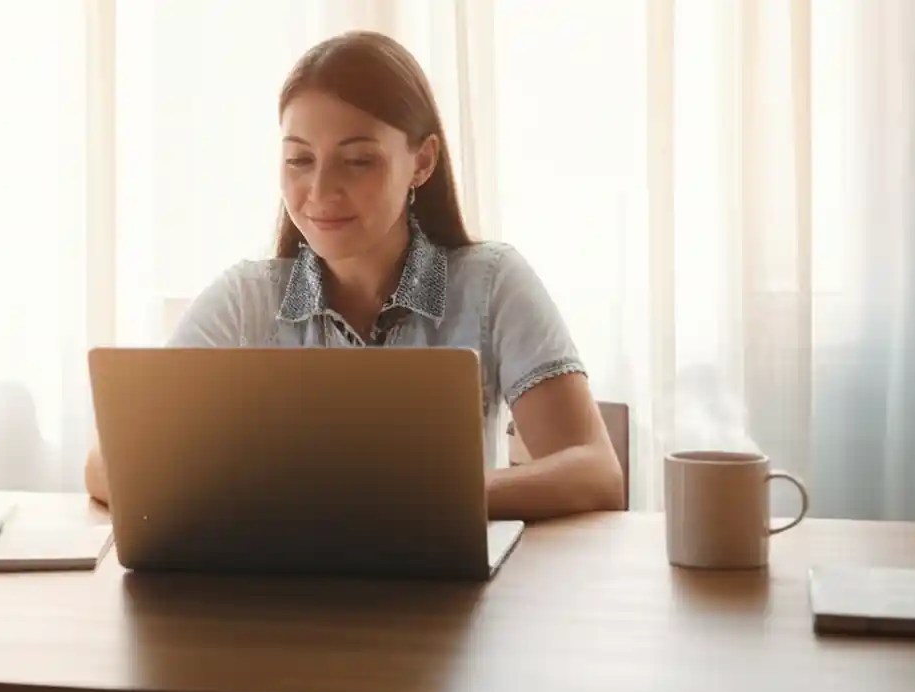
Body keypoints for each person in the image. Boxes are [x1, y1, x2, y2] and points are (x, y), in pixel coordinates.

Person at [86, 31, 623, 520]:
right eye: (300, 160)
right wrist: (257, 499)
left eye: (358, 161)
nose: (320, 191)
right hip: (278, 600)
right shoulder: (245, 302)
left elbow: (595, 472)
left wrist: (418, 502)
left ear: (422, 161)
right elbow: (106, 462)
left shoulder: (489, 284)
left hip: (445, 606)